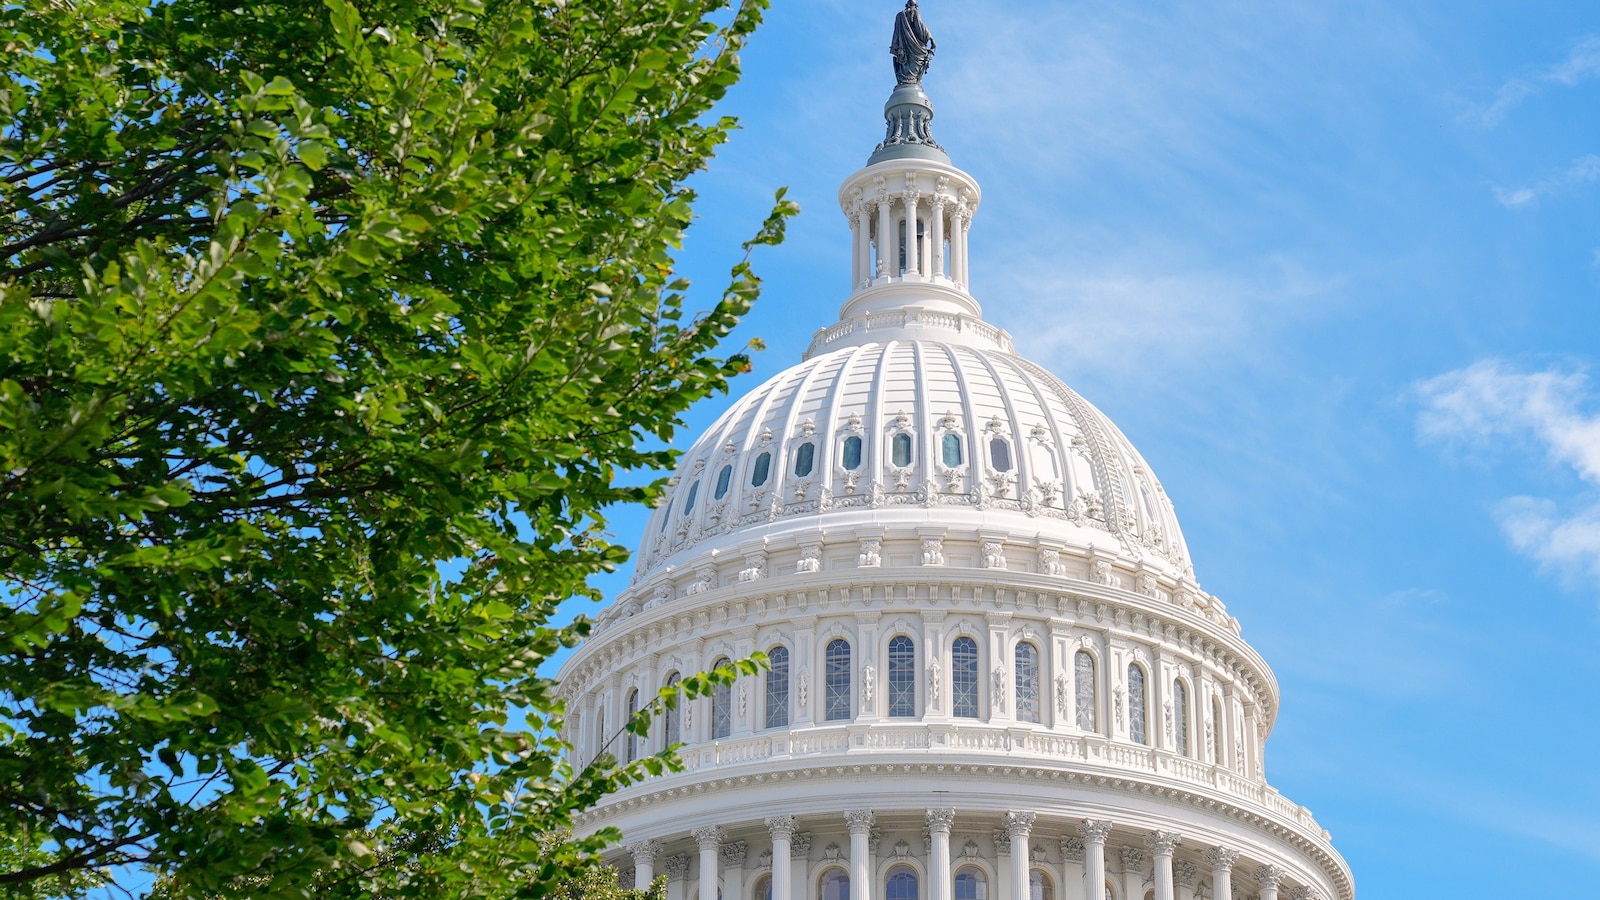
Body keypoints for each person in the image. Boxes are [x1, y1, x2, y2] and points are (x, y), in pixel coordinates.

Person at [890, 0, 936, 85]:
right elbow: (919, 27)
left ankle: (905, 80)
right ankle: (912, 81)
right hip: (916, 48)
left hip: (902, 49)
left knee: (904, 65)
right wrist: (930, 37)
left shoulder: (899, 16)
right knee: (914, 66)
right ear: (915, 6)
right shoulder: (914, 12)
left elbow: (896, 33)